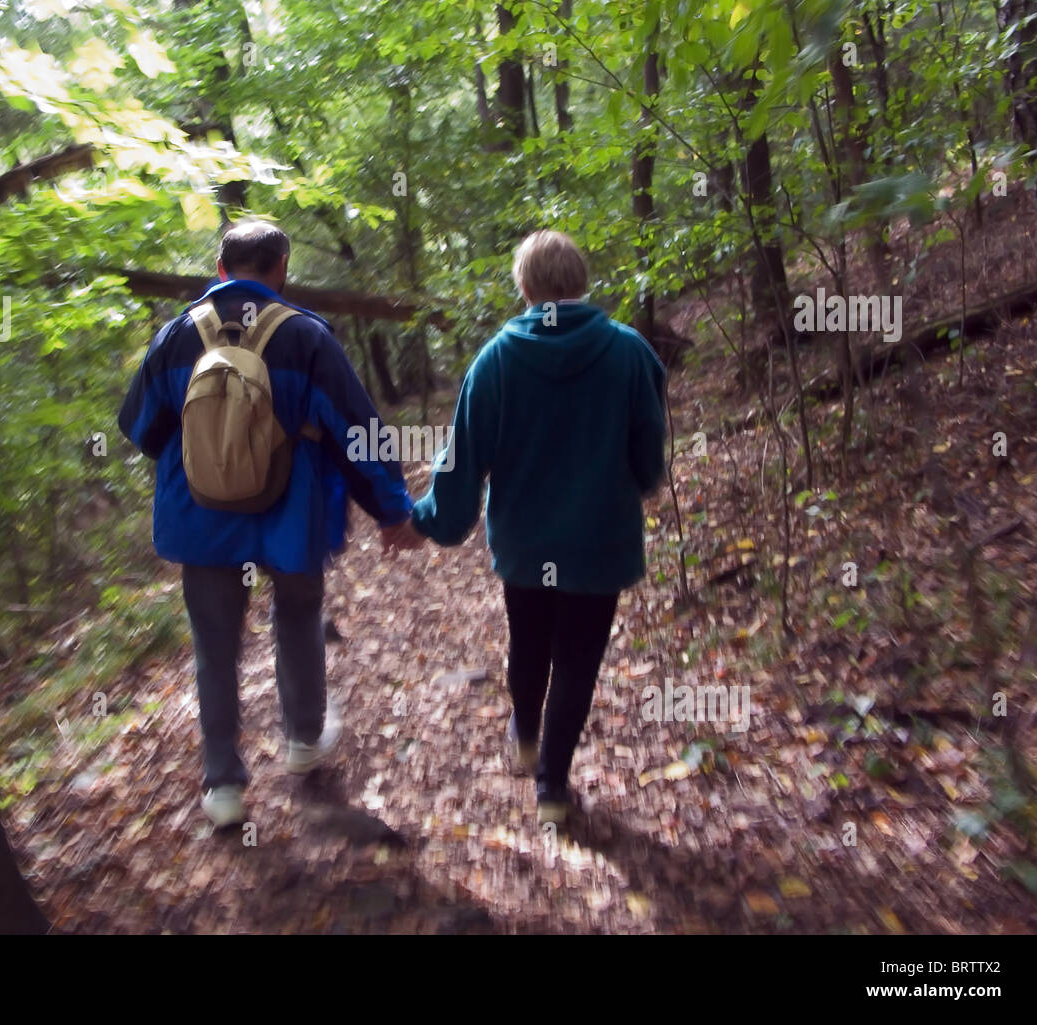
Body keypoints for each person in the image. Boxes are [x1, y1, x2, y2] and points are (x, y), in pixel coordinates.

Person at [118, 220, 421, 829]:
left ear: (221, 267)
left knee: (214, 647)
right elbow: (355, 433)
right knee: (299, 617)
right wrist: (391, 511)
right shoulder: (306, 337)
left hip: (201, 521)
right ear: (281, 266)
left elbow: (139, 428)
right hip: (292, 517)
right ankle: (303, 742)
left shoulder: (176, 337)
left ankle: (224, 787)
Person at [408, 230, 666, 823]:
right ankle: (552, 787)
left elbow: (461, 460)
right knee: (578, 659)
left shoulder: (495, 360)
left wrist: (426, 520)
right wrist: (643, 482)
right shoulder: (629, 352)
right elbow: (649, 450)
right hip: (599, 540)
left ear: (524, 287)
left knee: (529, 643)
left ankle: (525, 738)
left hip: (527, 544)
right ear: (581, 283)